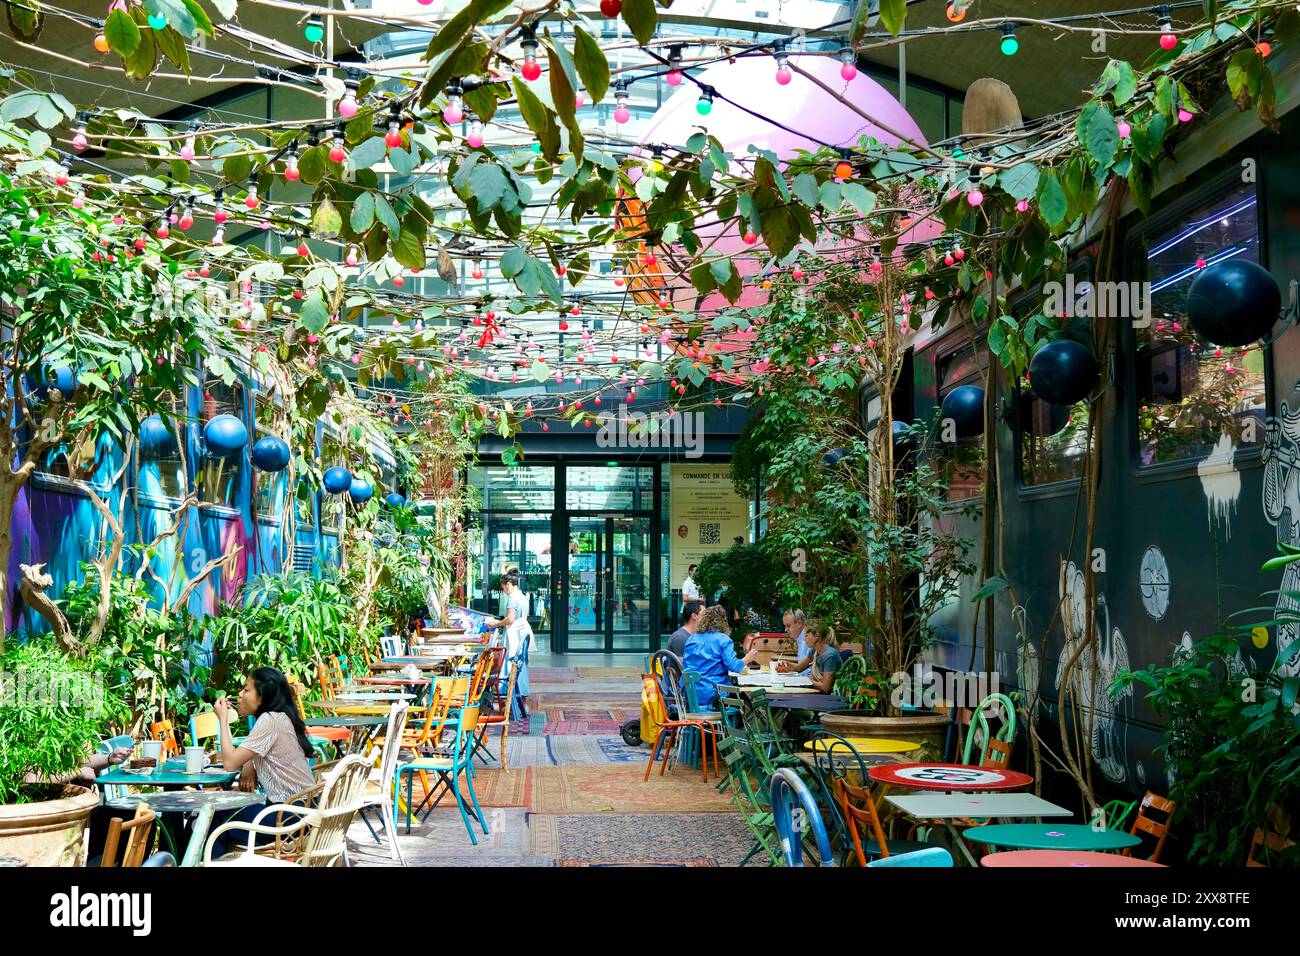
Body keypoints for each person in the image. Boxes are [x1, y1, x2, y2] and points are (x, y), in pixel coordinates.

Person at [207, 667, 316, 858]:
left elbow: (230, 763)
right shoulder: (280, 716)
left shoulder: (269, 720)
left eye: (246, 689)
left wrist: (222, 720)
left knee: (216, 816)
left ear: (262, 696)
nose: (240, 694)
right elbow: (252, 752)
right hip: (302, 812)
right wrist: (250, 763)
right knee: (223, 811)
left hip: (288, 819)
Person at [682, 605, 759, 710]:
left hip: (691, 696)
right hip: (714, 696)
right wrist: (748, 658)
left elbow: (686, 667)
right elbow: (735, 667)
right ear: (723, 621)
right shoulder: (723, 640)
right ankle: (737, 725)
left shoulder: (691, 639)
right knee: (748, 700)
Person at [487, 570, 533, 718]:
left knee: (509, 663)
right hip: (523, 632)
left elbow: (510, 619)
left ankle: (508, 699)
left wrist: (496, 624)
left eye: (503, 587)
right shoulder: (523, 597)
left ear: (508, 585)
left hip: (513, 634)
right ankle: (522, 699)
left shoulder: (511, 599)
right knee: (521, 664)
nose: (503, 590)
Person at [804, 619, 842, 694]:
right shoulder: (815, 651)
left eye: (806, 635)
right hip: (817, 693)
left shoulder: (830, 655)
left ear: (817, 636)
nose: (804, 639)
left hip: (829, 697)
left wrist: (805, 680)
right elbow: (799, 668)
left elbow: (826, 688)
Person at [776, 608, 812, 673]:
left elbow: (808, 672)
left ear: (799, 623)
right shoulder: (800, 639)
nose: (785, 630)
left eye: (788, 625)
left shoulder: (809, 640)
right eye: (785, 626)